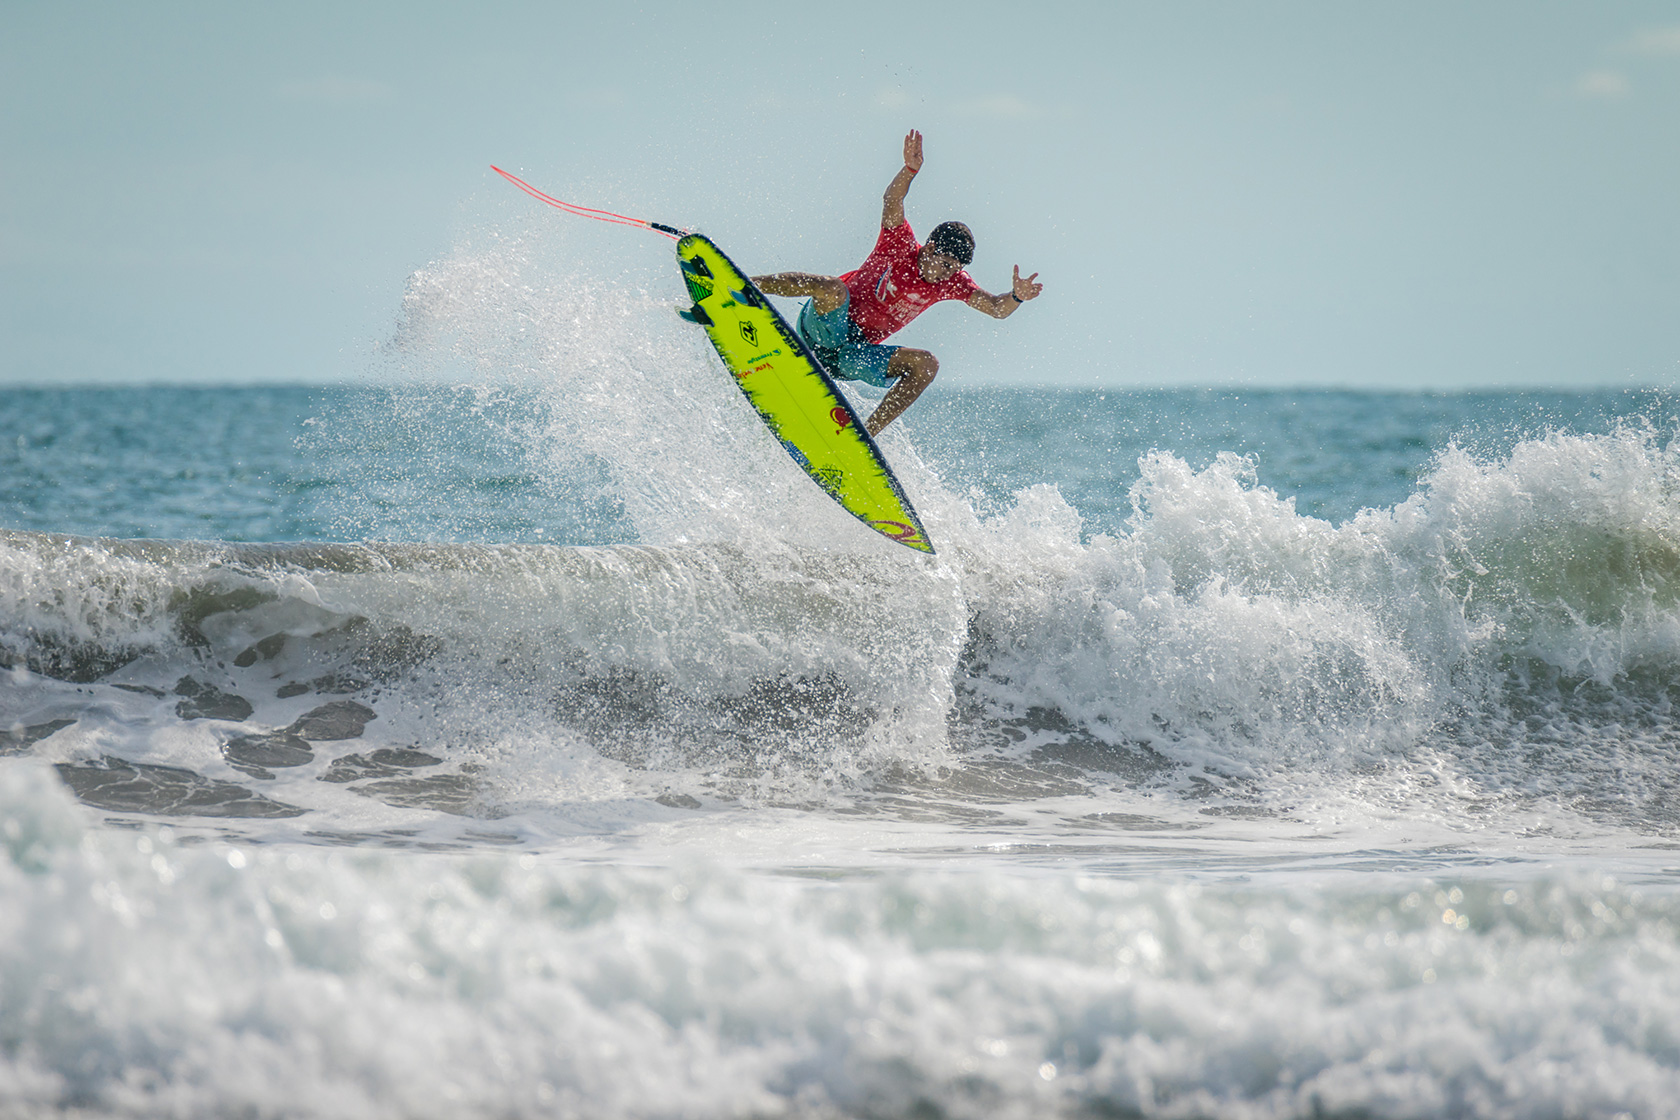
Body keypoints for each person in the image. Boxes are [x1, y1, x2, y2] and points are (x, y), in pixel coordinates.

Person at [752, 130, 1043, 435]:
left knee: (927, 365)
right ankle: (747, 286)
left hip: (853, 355)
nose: (948, 274)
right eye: (945, 264)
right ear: (929, 248)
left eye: (954, 268)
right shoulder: (899, 243)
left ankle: (864, 436)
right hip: (824, 328)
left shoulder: (952, 283)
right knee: (832, 288)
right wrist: (909, 171)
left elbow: (997, 308)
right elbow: (892, 198)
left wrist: (1017, 296)